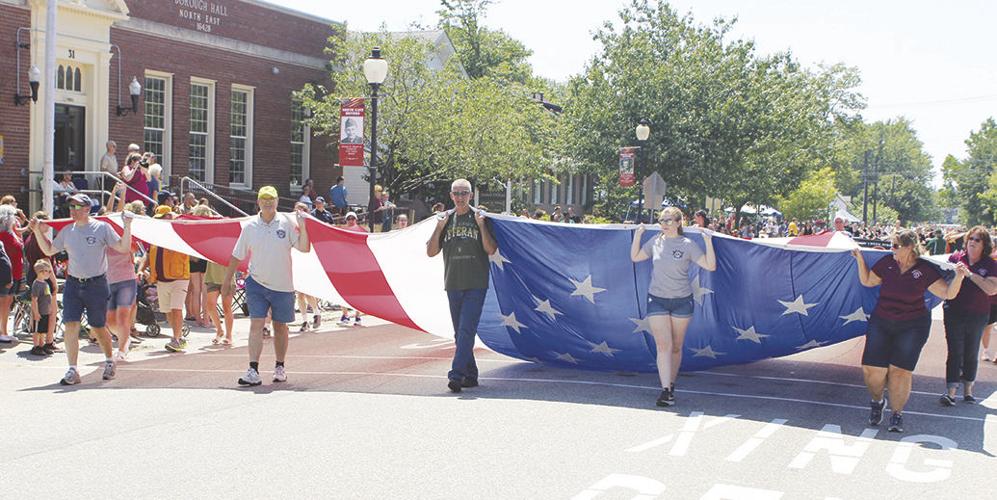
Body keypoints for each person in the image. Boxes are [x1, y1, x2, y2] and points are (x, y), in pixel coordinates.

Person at [852, 229, 969, 432]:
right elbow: (868, 281)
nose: (892, 249)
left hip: (913, 324)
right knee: (872, 371)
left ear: (909, 248)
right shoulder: (887, 263)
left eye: (896, 246)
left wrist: (958, 277)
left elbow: (948, 294)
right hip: (882, 320)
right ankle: (877, 402)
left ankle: (897, 414)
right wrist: (859, 259)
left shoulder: (925, 269)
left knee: (900, 371)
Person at [29, 193, 133, 385]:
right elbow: (50, 250)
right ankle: (72, 369)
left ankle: (110, 360)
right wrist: (37, 231)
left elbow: (123, 247)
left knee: (98, 327)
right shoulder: (68, 231)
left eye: (77, 207)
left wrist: (127, 226)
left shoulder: (102, 228)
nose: (72, 210)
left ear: (87, 209)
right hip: (73, 284)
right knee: (71, 325)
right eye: (71, 207)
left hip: (96, 284)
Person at [222, 186, 310, 386]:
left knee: (280, 326)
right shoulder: (250, 226)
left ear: (277, 201)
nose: (268, 203)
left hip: (282, 284)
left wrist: (303, 227)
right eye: (264, 199)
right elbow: (237, 255)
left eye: (271, 199)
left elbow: (304, 248)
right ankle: (253, 369)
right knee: (256, 324)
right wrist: (227, 281)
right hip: (257, 283)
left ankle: (280, 366)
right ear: (259, 202)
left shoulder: (287, 224)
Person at [631, 206, 716, 406]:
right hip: (657, 298)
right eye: (662, 220)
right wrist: (638, 235)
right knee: (663, 346)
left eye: (669, 220)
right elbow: (635, 257)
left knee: (676, 347)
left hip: (682, 301)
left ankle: (671, 383)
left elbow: (710, 265)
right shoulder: (655, 242)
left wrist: (707, 241)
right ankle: (665, 391)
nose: (664, 224)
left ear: (678, 222)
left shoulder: (688, 244)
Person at [426, 179, 498, 393]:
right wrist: (439, 228)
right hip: (453, 282)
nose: (460, 197)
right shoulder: (445, 219)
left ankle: (456, 375)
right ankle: (471, 374)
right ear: (450, 195)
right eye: (456, 193)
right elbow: (430, 251)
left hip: (476, 283)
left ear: (471, 195)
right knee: (460, 333)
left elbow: (491, 249)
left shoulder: (480, 217)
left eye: (464, 193)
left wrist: (482, 225)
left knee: (466, 330)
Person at [940, 227, 997, 406]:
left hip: (978, 313)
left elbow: (992, 289)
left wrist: (970, 275)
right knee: (954, 350)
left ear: (984, 244)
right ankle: (951, 392)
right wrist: (956, 274)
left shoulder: (990, 264)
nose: (972, 241)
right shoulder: (955, 259)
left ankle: (968, 390)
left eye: (977, 239)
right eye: (970, 238)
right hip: (953, 311)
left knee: (971, 351)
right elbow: (944, 281)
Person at [140, 206, 191, 352]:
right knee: (168, 311)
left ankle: (176, 339)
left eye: (162, 218)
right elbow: (148, 255)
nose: (159, 221)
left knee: (176, 309)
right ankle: (179, 336)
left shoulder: (179, 232)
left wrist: (177, 220)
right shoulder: (155, 237)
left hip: (179, 277)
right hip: (162, 280)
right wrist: (141, 269)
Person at [105, 203, 143, 361]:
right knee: (109, 320)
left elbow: (138, 251)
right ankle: (124, 336)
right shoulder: (103, 236)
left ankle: (122, 349)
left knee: (122, 316)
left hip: (127, 279)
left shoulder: (128, 235)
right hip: (108, 280)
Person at [337, 211, 367, 327]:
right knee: (341, 290)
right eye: (349, 218)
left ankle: (358, 316)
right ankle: (345, 315)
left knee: (357, 292)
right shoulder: (341, 230)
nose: (351, 220)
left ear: (356, 220)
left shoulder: (361, 231)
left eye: (353, 218)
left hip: (357, 266)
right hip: (344, 265)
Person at [0, 205, 25, 342]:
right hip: (6, 276)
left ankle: (4, 330)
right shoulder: (3, 235)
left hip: (14, 273)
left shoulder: (11, 232)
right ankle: (2, 332)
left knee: (7, 303)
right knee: (3, 303)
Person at [28, 260, 55, 357]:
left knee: (43, 330)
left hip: (45, 311)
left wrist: (50, 308)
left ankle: (42, 345)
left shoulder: (45, 284)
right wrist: (36, 312)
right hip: (39, 311)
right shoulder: (36, 284)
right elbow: (34, 300)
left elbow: (48, 297)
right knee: (37, 330)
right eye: (48, 271)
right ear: (41, 272)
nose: (50, 273)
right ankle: (36, 347)